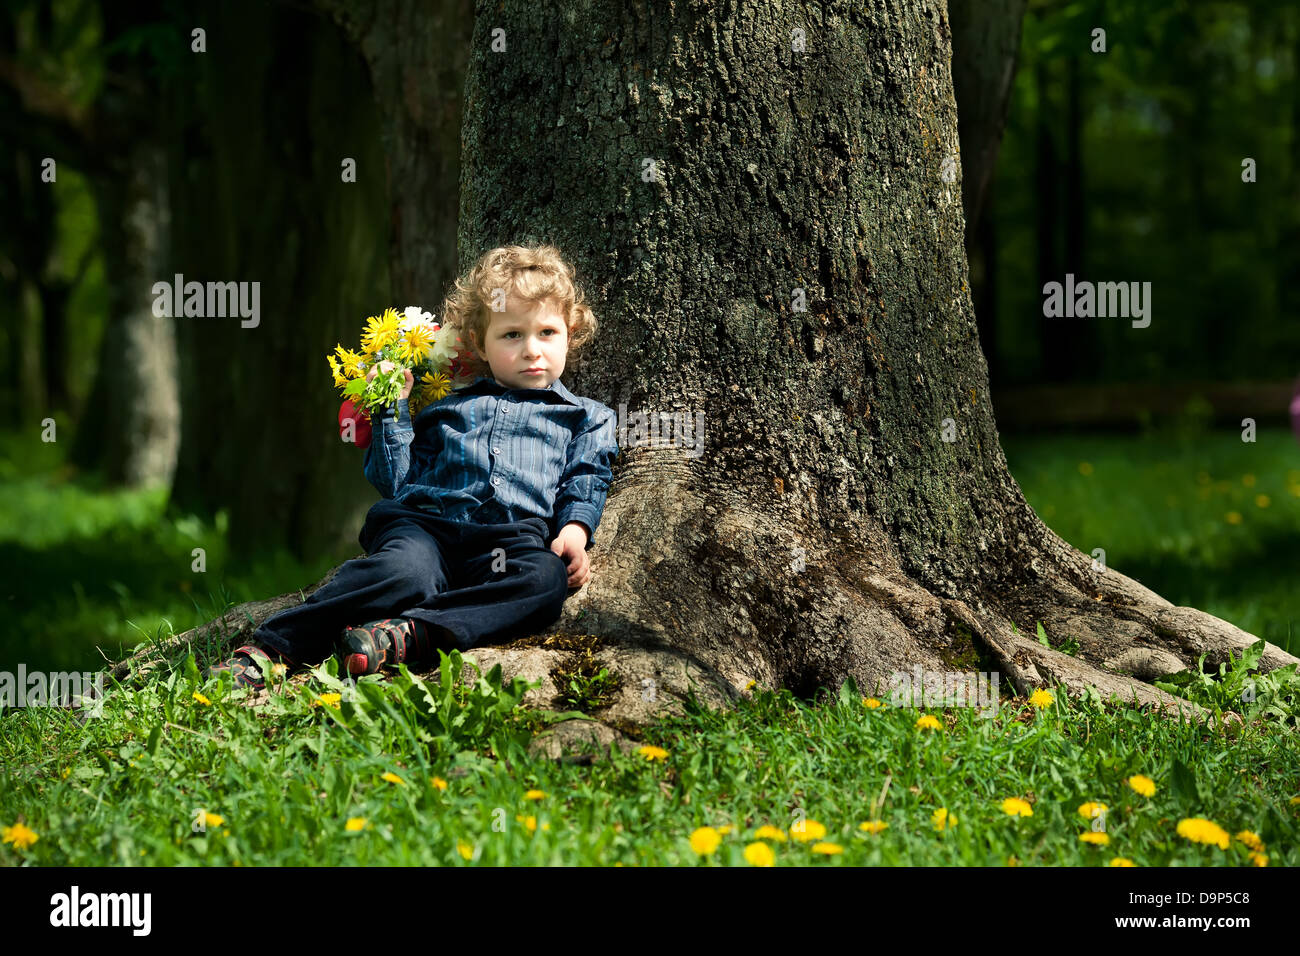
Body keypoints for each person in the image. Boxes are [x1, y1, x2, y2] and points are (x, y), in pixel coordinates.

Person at [207, 244, 620, 690]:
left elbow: (587, 475)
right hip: (426, 527)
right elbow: (395, 482)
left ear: (570, 332)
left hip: (511, 538)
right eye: (511, 335)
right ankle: (270, 650)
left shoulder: (587, 416)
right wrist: (391, 409)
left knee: (544, 579)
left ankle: (408, 635)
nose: (531, 350)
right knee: (402, 573)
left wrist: (575, 530)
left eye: (546, 332)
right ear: (480, 342)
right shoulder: (448, 407)